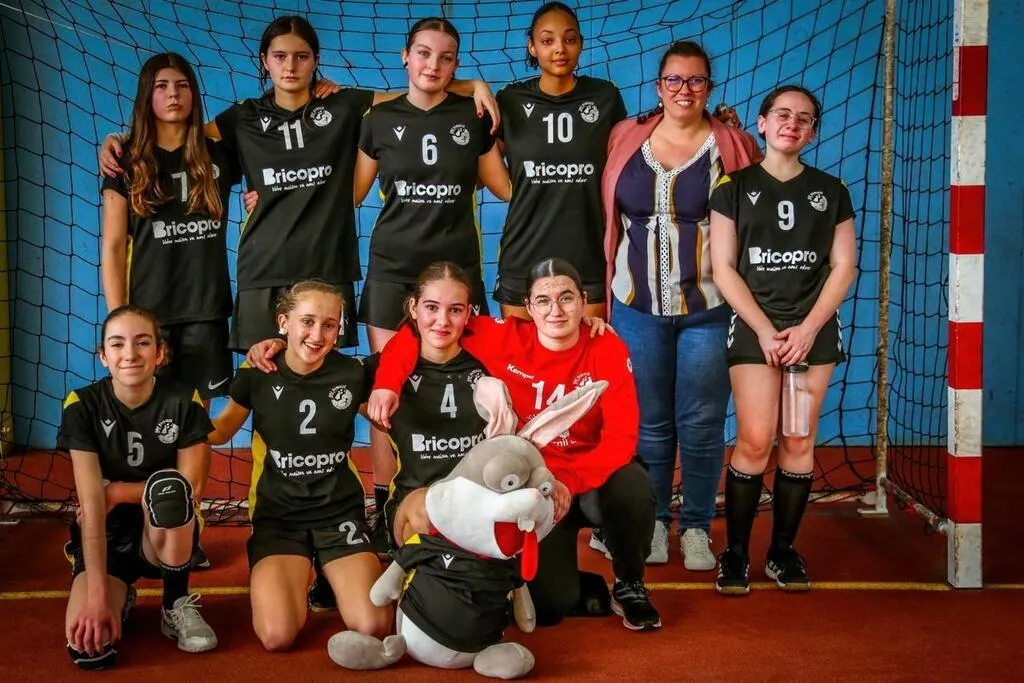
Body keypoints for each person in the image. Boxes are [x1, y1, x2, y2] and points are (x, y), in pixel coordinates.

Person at [99, 15, 499, 356]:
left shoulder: (343, 105)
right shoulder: (243, 118)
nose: (290, 66)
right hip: (263, 270)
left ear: (315, 62)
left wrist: (472, 86)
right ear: (265, 61)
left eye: (301, 57)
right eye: (280, 56)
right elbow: (177, 136)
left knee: (322, 378)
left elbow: (414, 95)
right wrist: (122, 140)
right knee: (266, 382)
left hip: (327, 269)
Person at [369, 258, 661, 632]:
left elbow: (622, 440)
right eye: (543, 300)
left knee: (632, 486)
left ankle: (629, 583)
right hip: (531, 488)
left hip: (586, 482)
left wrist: (569, 480)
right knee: (549, 609)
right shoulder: (503, 336)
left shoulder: (606, 346)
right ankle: (578, 585)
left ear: (584, 301)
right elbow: (422, 328)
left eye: (567, 298)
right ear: (529, 306)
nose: (555, 310)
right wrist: (388, 382)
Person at [601, 40, 763, 569]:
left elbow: (756, 208)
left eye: (696, 81)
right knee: (649, 422)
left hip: (709, 307)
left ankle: (695, 527)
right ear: (658, 87)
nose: (685, 90)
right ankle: (651, 524)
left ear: (710, 89)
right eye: (674, 80)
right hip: (635, 304)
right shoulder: (626, 138)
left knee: (701, 420)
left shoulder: (733, 145)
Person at [245, 262, 490, 611]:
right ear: (414, 309)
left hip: (479, 501)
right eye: (432, 308)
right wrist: (277, 347)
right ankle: (425, 597)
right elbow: (316, 375)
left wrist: (590, 330)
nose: (442, 320)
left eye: (455, 310)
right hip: (414, 504)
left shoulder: (490, 362)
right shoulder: (376, 369)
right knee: (428, 512)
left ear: (470, 314)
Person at [353, 17, 510, 540]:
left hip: (456, 273)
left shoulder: (472, 114)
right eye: (423, 54)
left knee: (468, 385)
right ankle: (385, 504)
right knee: (386, 388)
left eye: (446, 58)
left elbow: (505, 188)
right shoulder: (377, 117)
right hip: (392, 271)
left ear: (457, 66)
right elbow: (349, 195)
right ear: (405, 57)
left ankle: (468, 494)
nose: (433, 66)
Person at [708, 85, 856, 595]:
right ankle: (735, 554)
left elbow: (844, 267)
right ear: (763, 122)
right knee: (754, 440)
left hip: (811, 330)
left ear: (813, 131)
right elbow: (723, 269)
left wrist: (809, 329)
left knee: (797, 440)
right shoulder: (732, 187)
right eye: (783, 115)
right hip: (756, 328)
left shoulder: (831, 190)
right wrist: (767, 331)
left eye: (805, 119)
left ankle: (782, 551)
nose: (793, 124)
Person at [100, 52, 241, 570]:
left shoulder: (219, 152)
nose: (174, 94)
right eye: (162, 86)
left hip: (205, 312)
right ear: (148, 96)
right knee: (147, 425)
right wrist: (122, 326)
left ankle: (186, 530)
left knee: (192, 429)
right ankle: (138, 529)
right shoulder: (128, 162)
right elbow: (114, 247)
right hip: (150, 320)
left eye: (183, 84)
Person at [208, 280, 391, 651]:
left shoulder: (352, 373)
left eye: (329, 324)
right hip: (280, 516)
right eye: (306, 321)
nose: (317, 334)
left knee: (372, 625)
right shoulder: (259, 371)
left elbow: (384, 415)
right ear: (283, 323)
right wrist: (181, 417)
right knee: (277, 637)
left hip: (337, 512)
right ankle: (300, 572)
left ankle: (329, 569)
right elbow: (222, 429)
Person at [58, 305, 218, 670]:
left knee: (170, 491)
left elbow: (191, 487)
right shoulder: (81, 405)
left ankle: (173, 603)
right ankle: (116, 593)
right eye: (117, 344)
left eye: (142, 342)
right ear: (103, 356)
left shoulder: (182, 400)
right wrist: (97, 599)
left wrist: (115, 491)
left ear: (159, 353)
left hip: (162, 530)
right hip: (107, 535)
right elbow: (91, 505)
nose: (130, 354)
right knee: (89, 647)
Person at [493, 2, 627, 321]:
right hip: (522, 254)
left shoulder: (604, 97)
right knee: (520, 368)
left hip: (589, 256)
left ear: (580, 43)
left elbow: (631, 154)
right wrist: (473, 87)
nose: (559, 49)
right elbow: (483, 163)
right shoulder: (510, 100)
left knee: (585, 368)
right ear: (532, 47)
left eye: (569, 39)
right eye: (547, 40)